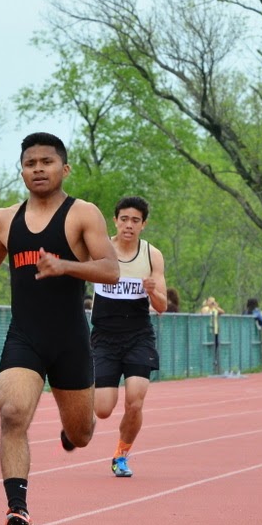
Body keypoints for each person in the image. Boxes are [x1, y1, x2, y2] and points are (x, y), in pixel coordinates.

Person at [0, 132, 118, 525]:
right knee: (12, 412)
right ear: (21, 170)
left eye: (47, 162)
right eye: (30, 163)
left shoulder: (82, 214)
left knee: (82, 434)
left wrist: (66, 267)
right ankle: (17, 509)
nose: (38, 169)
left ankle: (69, 429)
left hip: (71, 341)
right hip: (25, 337)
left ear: (64, 168)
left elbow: (110, 269)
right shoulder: (5, 219)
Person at [91, 196, 168, 478]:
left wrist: (152, 291)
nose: (129, 225)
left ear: (143, 224)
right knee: (102, 409)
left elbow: (162, 306)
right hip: (105, 337)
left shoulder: (152, 255)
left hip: (138, 337)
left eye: (135, 221)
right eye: (124, 219)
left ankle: (121, 454)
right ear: (115, 220)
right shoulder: (101, 249)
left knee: (135, 400)